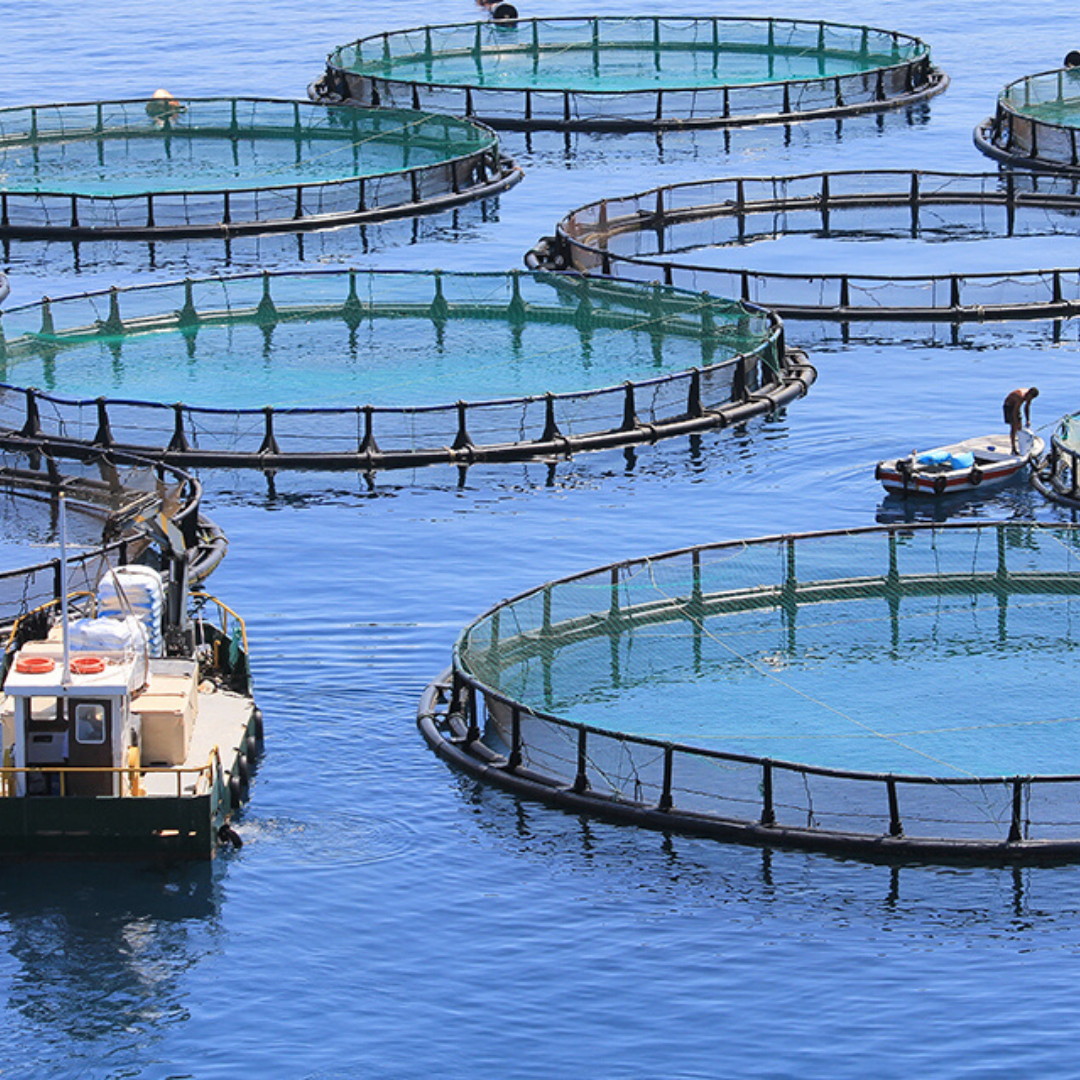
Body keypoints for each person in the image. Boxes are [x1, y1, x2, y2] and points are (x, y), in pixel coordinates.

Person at [1003, 386, 1038, 453]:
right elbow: (1014, 412)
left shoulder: (1029, 397)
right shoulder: (1020, 396)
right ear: (1028, 393)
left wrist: (1028, 420)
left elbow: (1026, 407)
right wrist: (1016, 422)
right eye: (1030, 397)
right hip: (1009, 406)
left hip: (1016, 406)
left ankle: (1020, 441)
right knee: (1014, 426)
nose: (1029, 399)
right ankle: (1013, 448)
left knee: (1019, 426)